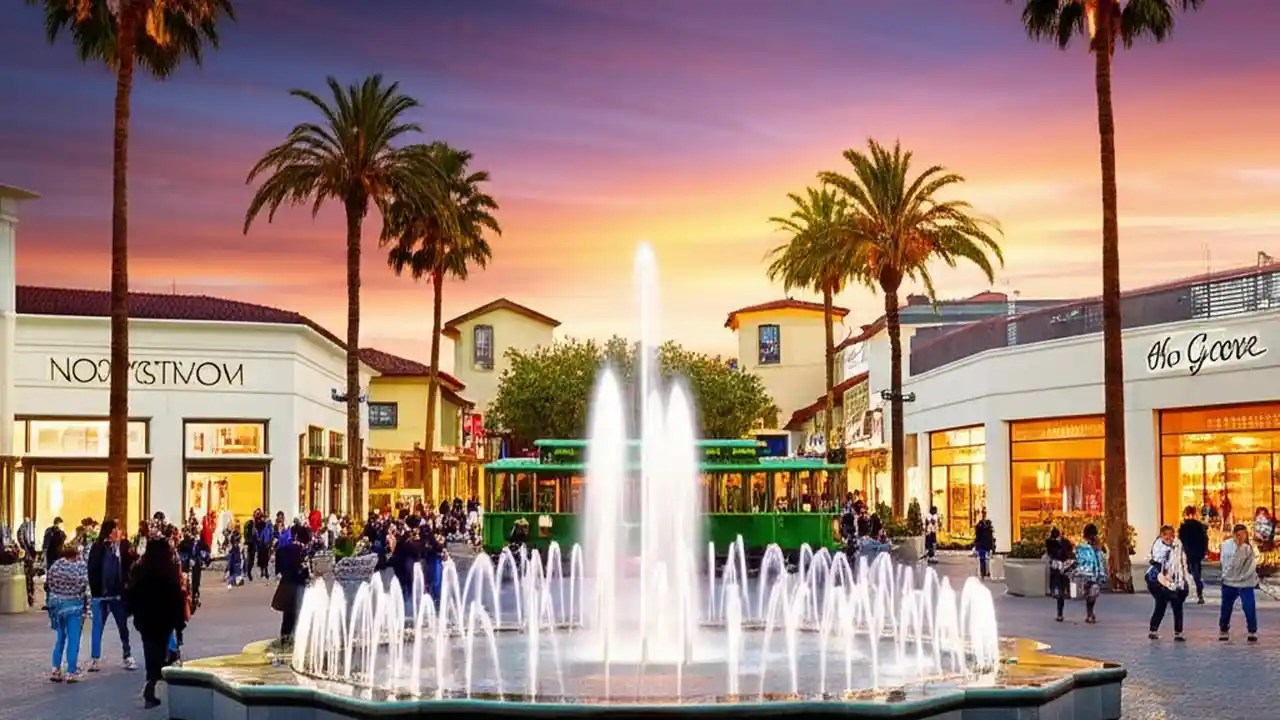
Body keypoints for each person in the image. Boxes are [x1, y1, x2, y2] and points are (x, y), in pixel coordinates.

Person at [127, 538, 188, 709]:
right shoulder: (168, 570)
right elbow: (176, 597)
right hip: (164, 619)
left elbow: (131, 592)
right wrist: (179, 624)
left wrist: (132, 611)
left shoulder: (140, 569)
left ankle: (151, 680)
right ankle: (152, 681)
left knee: (149, 648)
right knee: (160, 650)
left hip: (145, 619)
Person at [87, 518, 137, 672]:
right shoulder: (98, 547)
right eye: (116, 529)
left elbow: (130, 565)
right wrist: (96, 591)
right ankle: (95, 658)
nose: (119, 532)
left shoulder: (124, 546)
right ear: (110, 532)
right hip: (101, 595)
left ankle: (127, 655)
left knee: (123, 626)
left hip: (117, 594)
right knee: (97, 628)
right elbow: (92, 569)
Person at [46, 544, 89, 682]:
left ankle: (55, 669)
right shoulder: (80, 567)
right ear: (76, 556)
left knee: (60, 638)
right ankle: (71, 671)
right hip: (74, 606)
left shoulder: (55, 566)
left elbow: (49, 584)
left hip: (57, 606)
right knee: (74, 639)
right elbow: (85, 585)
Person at [1146, 524, 1190, 641]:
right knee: (1165, 602)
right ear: (1161, 535)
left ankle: (1174, 631)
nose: (1169, 537)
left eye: (1171, 535)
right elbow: (1157, 561)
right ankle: (1157, 630)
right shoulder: (1158, 547)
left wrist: (1183, 578)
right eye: (1166, 535)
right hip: (1157, 580)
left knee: (1175, 603)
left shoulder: (1177, 545)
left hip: (1174, 578)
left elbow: (1181, 562)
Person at [1219, 523, 1259, 643]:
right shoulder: (1226, 545)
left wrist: (1246, 576)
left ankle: (1252, 630)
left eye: (1243, 534)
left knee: (1249, 606)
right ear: (1233, 535)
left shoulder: (1250, 547)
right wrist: (1227, 575)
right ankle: (1223, 628)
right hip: (1229, 581)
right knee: (1226, 606)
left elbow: (1253, 564)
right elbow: (1224, 562)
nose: (1241, 537)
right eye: (1238, 535)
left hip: (1246, 582)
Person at [273, 525, 312, 642]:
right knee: (298, 615)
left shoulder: (283, 549)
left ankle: (285, 639)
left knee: (287, 617)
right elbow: (305, 572)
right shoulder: (304, 552)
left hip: (285, 585)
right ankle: (296, 640)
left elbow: (278, 567)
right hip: (298, 587)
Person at [1073, 523, 1107, 624]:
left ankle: (1090, 613)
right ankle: (1090, 613)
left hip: (1095, 575)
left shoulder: (1098, 548)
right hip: (1086, 574)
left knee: (1093, 593)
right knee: (1090, 594)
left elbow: (1102, 559)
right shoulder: (1083, 547)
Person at [1177, 505, 1209, 604]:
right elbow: (1205, 539)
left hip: (1187, 552)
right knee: (1196, 574)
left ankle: (1181, 593)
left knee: (1184, 573)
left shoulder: (1184, 526)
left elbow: (1180, 540)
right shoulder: (1199, 526)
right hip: (1197, 553)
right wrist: (1204, 551)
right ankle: (1200, 594)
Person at [1046, 527, 1074, 622]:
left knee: (1059, 589)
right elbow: (1070, 553)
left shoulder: (1051, 542)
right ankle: (1060, 612)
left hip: (1058, 569)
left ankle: (1059, 612)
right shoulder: (1064, 542)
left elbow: (1050, 554)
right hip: (1061, 568)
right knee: (1061, 590)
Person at [17, 516, 37, 607]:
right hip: (28, 556)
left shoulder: (25, 528)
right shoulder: (24, 528)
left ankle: (30, 595)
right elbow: (24, 541)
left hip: (28, 556)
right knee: (29, 577)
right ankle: (30, 595)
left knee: (29, 577)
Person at [974, 509, 995, 580]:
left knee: (986, 559)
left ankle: (986, 572)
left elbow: (990, 536)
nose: (984, 515)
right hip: (982, 544)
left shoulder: (988, 525)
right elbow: (977, 536)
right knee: (983, 559)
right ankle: (983, 572)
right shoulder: (980, 525)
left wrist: (992, 546)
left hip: (986, 544)